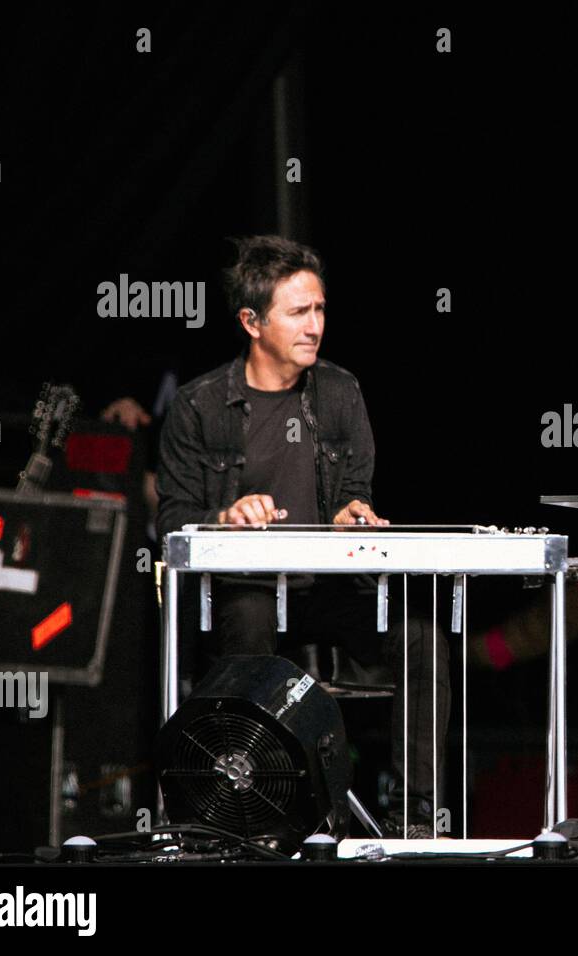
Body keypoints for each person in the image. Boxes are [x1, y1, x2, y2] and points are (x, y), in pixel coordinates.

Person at [155, 235, 449, 837]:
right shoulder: (199, 405)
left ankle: (418, 818)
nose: (315, 325)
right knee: (250, 624)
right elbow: (171, 520)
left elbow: (354, 492)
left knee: (422, 639)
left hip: (329, 590)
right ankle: (255, 817)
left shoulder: (340, 391)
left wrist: (352, 513)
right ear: (252, 322)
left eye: (319, 309)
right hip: (247, 590)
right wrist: (225, 516)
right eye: (298, 312)